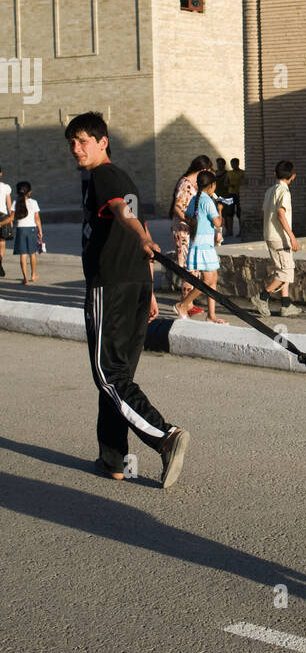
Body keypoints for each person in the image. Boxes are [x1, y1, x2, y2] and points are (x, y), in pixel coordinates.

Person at [65, 111, 189, 489]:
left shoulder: (104, 175)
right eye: (72, 143)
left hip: (112, 286)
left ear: (103, 142)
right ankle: (113, 459)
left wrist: (140, 240)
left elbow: (124, 214)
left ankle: (164, 436)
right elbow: (140, 223)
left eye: (83, 141)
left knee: (108, 374)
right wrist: (149, 288)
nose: (76, 149)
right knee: (118, 377)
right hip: (133, 285)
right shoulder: (116, 177)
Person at [250, 161, 300, 318]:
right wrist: (291, 236)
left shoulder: (270, 191)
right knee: (286, 271)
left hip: (271, 235)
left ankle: (286, 304)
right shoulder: (284, 192)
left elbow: (263, 213)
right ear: (293, 176)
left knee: (284, 268)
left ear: (274, 173)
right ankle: (262, 297)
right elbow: (280, 213)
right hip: (279, 237)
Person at [175, 170, 226, 323]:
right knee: (207, 281)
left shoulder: (195, 200)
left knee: (213, 279)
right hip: (204, 245)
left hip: (199, 243)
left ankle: (211, 315)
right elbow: (218, 223)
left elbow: (188, 217)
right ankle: (183, 305)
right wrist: (220, 210)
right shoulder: (208, 201)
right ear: (212, 185)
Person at [169, 156, 211, 314]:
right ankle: (185, 303)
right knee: (189, 267)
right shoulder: (185, 184)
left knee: (194, 266)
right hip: (184, 229)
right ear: (202, 169)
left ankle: (189, 302)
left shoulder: (194, 184)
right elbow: (178, 207)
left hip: (192, 230)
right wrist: (189, 220)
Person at [12, 181, 43, 285]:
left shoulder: (15, 203)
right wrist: (40, 231)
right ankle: (33, 275)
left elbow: (12, 218)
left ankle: (25, 278)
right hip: (32, 229)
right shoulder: (33, 202)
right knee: (32, 253)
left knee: (23, 254)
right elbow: (37, 218)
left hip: (21, 229)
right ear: (29, 192)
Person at [214, 157, 233, 238]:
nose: (219, 165)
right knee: (221, 214)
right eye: (218, 163)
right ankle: (225, 230)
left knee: (229, 214)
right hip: (217, 196)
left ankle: (230, 230)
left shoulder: (227, 173)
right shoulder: (214, 173)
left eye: (221, 163)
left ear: (224, 164)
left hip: (227, 195)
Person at [0, 162, 12, 277]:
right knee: (2, 242)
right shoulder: (6, 187)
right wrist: (11, 220)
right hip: (3, 216)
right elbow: (9, 205)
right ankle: (0, 262)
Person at [227, 157, 245, 234]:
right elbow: (226, 183)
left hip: (240, 194)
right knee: (230, 213)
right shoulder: (229, 173)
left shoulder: (243, 173)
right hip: (231, 194)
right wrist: (230, 185)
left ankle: (241, 231)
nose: (233, 165)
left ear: (238, 164)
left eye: (235, 163)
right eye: (232, 164)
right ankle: (230, 231)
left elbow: (244, 183)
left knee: (239, 213)